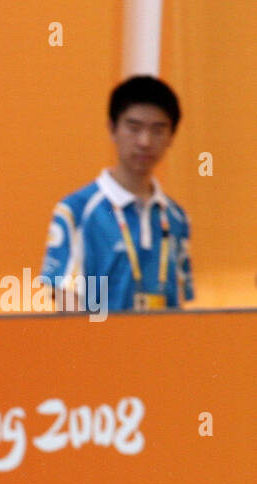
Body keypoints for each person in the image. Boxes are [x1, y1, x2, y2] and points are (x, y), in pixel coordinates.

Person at [41, 75, 193, 313]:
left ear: (172, 136)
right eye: (134, 128)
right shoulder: (76, 211)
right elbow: (65, 303)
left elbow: (179, 302)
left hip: (163, 348)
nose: (145, 141)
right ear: (112, 129)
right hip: (98, 348)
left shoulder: (176, 218)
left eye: (158, 130)